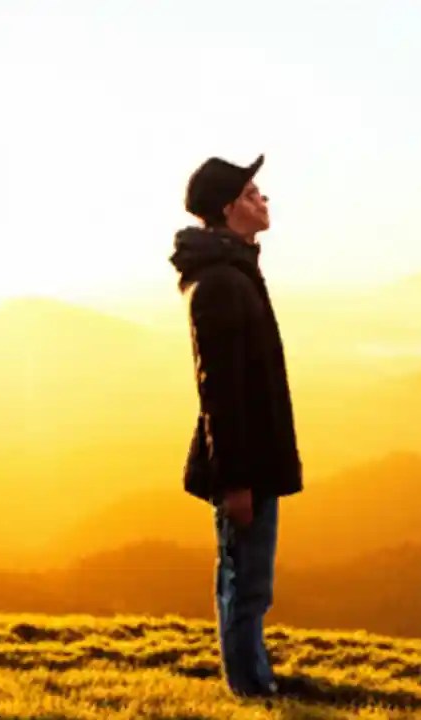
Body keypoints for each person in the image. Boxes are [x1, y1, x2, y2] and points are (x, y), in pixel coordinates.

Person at [169, 153, 305, 699]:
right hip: (243, 463)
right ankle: (249, 689)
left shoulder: (236, 270)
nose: (263, 200)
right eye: (251, 194)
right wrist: (235, 481)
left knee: (251, 579)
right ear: (229, 210)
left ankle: (256, 677)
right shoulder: (222, 283)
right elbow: (219, 392)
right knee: (244, 581)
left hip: (255, 456)